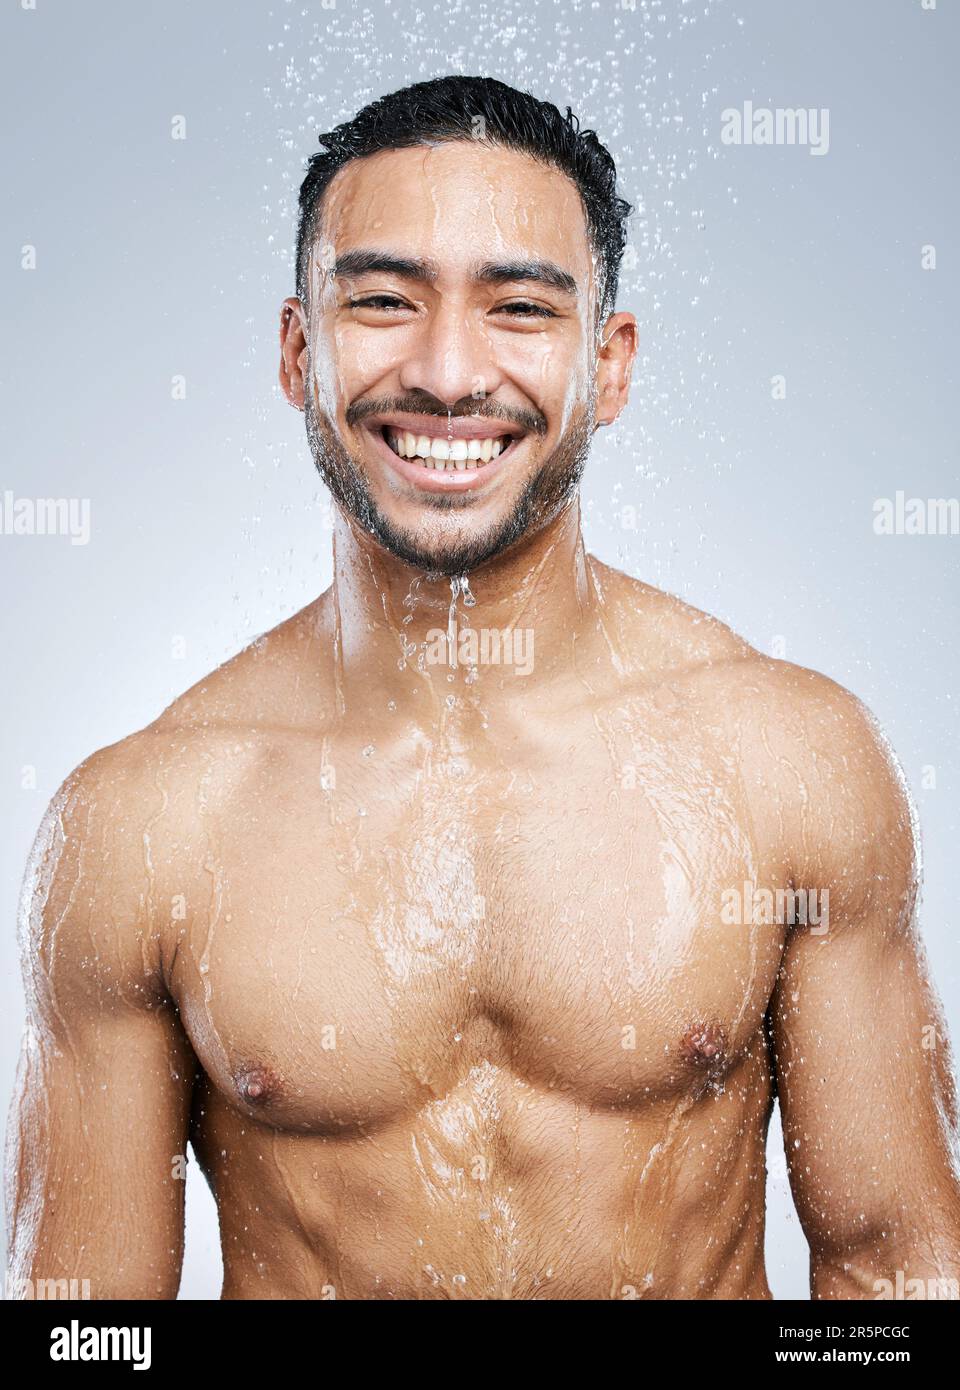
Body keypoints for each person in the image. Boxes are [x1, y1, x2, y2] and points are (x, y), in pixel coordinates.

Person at [8, 76, 960, 1301]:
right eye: (385, 302)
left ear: (608, 367)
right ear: (300, 351)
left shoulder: (788, 762)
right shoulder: (144, 821)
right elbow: (80, 1334)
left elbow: (900, 1274)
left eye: (518, 306)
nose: (449, 372)